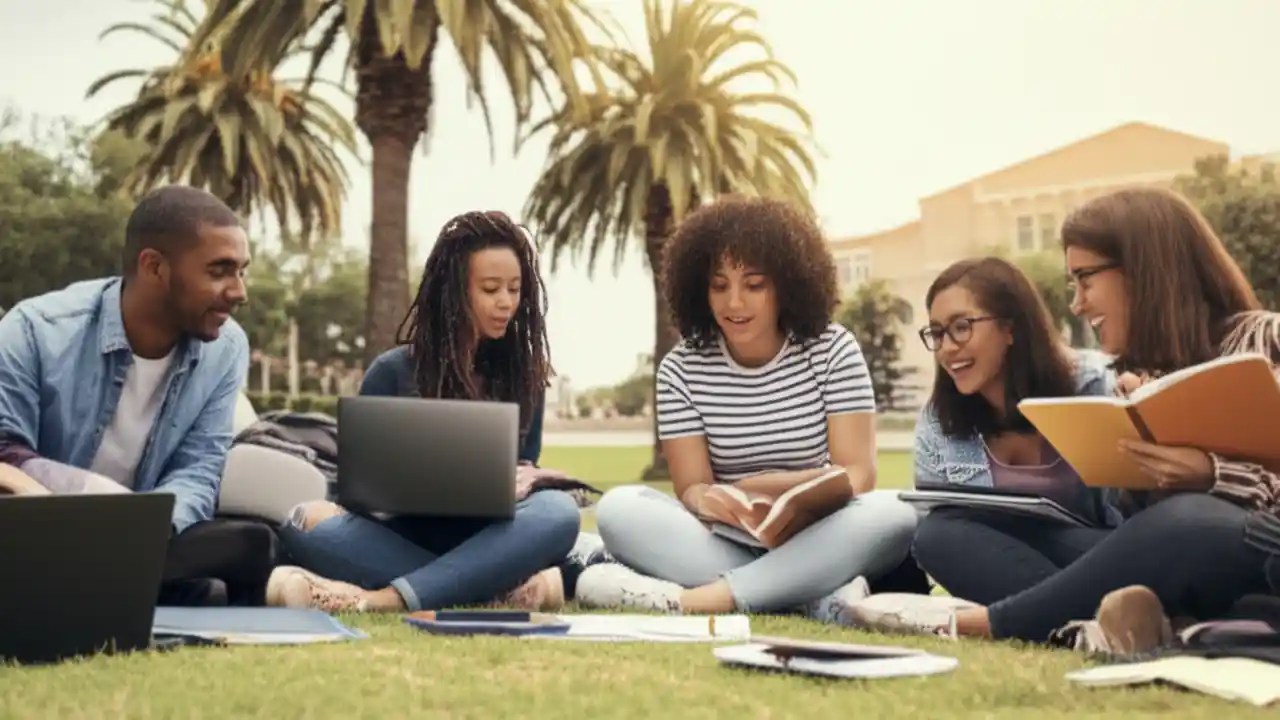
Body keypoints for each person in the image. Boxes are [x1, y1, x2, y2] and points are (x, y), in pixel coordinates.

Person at [848, 187, 1280, 654]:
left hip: (1252, 550)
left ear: (1143, 270)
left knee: (1186, 519)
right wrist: (1135, 450)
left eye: (1085, 279)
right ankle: (1118, 625)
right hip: (1165, 561)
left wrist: (1211, 474)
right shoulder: (1143, 373)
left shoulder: (1266, 338)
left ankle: (982, 624)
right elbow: (1132, 529)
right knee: (943, 533)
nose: (1076, 304)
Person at [574, 195, 919, 620]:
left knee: (895, 514)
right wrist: (724, 505)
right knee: (619, 509)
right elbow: (692, 487)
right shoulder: (680, 369)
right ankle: (809, 592)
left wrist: (779, 492)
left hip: (818, 531)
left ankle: (702, 599)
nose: (734, 303)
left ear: (786, 285)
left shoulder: (833, 349)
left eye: (754, 285)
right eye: (719, 286)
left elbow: (859, 475)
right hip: (726, 536)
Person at [267, 210, 581, 614]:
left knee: (558, 512)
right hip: (399, 537)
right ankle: (493, 591)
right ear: (454, 292)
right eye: (490, 289)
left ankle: (384, 599)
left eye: (514, 289)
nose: (506, 302)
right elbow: (360, 493)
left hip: (488, 539)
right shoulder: (393, 372)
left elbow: (523, 473)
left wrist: (526, 481)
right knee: (303, 526)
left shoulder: (525, 380)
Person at [0, 185, 273, 607]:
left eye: (241, 271)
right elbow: (6, 454)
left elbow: (198, 470)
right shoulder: (36, 330)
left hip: (147, 547)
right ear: (154, 267)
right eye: (219, 271)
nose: (240, 292)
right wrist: (105, 504)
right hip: (37, 533)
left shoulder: (227, 347)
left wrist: (144, 531)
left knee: (251, 544)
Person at [909, 257, 1122, 607]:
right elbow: (958, 536)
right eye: (937, 333)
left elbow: (1137, 517)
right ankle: (1080, 618)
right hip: (1009, 563)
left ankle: (1062, 615)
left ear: (1011, 328)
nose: (946, 348)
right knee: (935, 536)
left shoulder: (1098, 385)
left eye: (961, 327)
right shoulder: (938, 424)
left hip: (1099, 553)